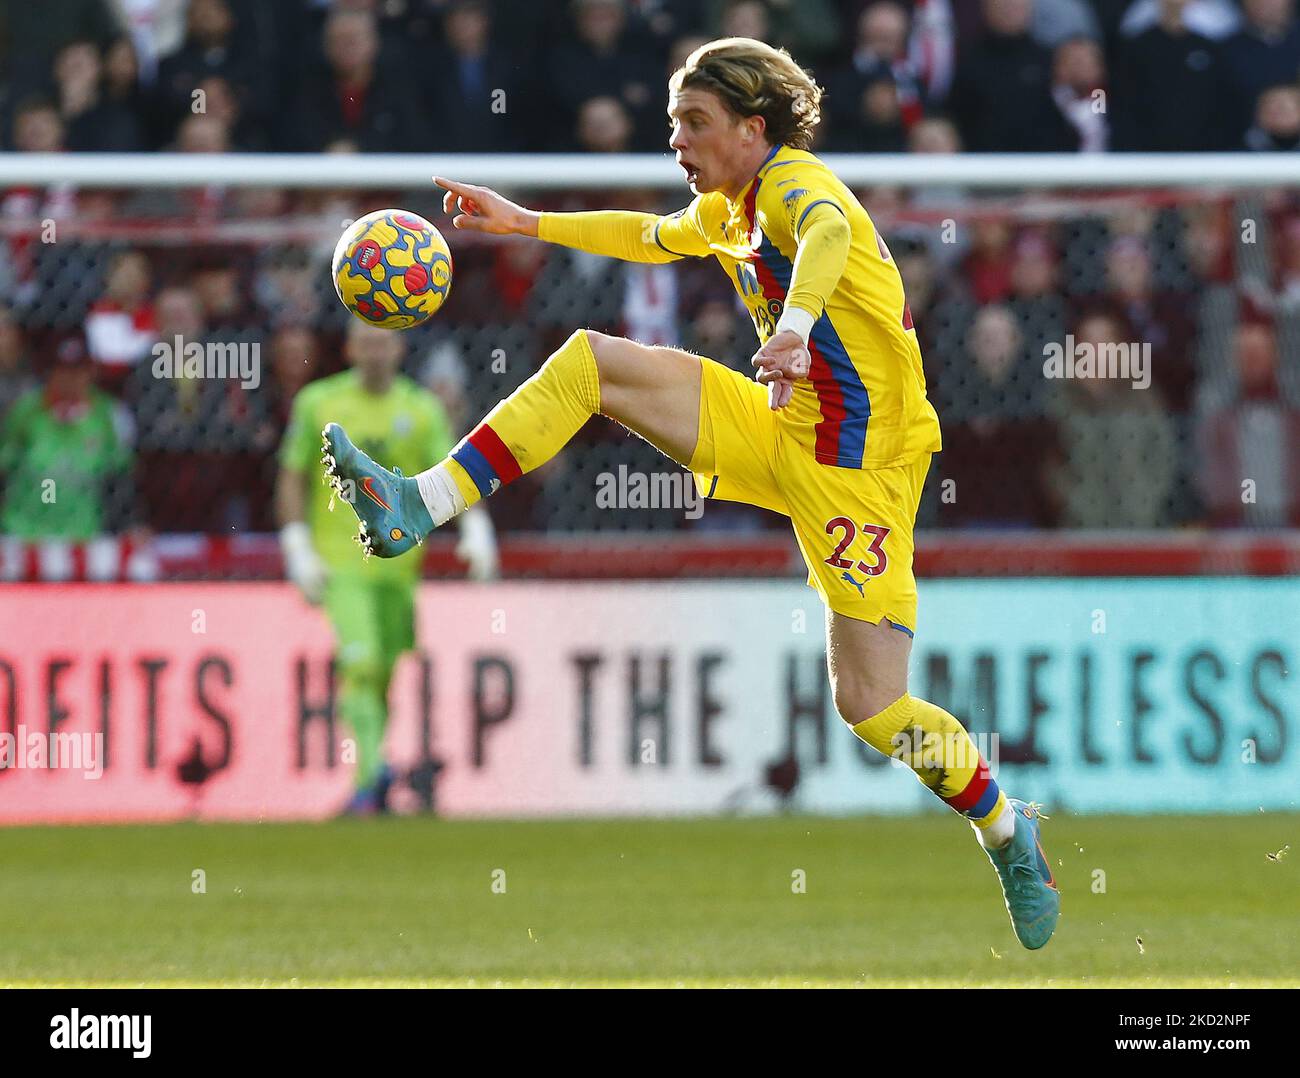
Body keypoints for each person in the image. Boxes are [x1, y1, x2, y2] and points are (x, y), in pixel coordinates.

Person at [321, 37, 1059, 946]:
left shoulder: (795, 188)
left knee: (870, 705)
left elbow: (827, 234)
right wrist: (525, 223)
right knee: (591, 363)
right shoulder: (728, 207)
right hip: (779, 423)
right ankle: (417, 505)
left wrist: (792, 326)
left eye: (695, 124)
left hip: (859, 477)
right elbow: (646, 235)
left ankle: (1003, 827)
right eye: (674, 123)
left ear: (754, 129)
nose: (678, 141)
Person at [278, 321, 498, 815]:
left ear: (399, 348)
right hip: (341, 563)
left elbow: (455, 473)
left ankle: (371, 779)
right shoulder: (319, 403)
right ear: (349, 347)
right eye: (366, 342)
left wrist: (476, 530)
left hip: (399, 567)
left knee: (383, 672)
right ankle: (369, 781)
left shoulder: (420, 409)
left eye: (384, 342)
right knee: (361, 662)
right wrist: (297, 546)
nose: (376, 352)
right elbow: (292, 475)